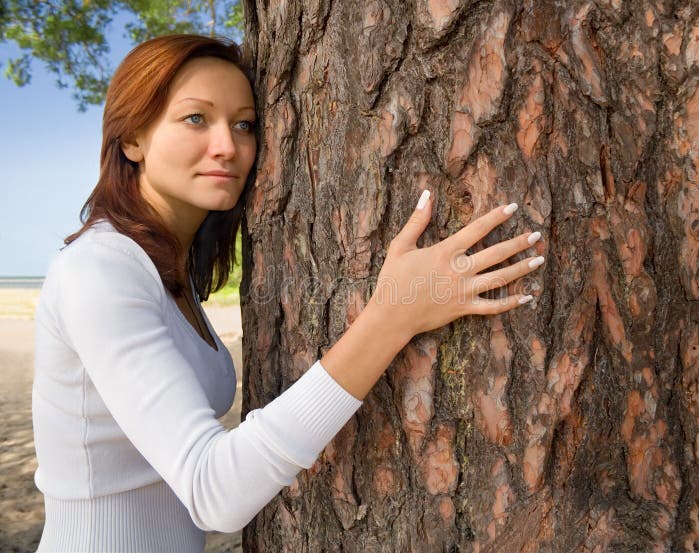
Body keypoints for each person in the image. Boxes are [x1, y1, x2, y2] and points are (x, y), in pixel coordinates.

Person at [31, 34, 546, 552]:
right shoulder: (98, 270)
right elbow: (216, 492)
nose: (227, 147)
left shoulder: (164, 268)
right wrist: (392, 316)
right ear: (132, 139)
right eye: (196, 119)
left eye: (243, 124)